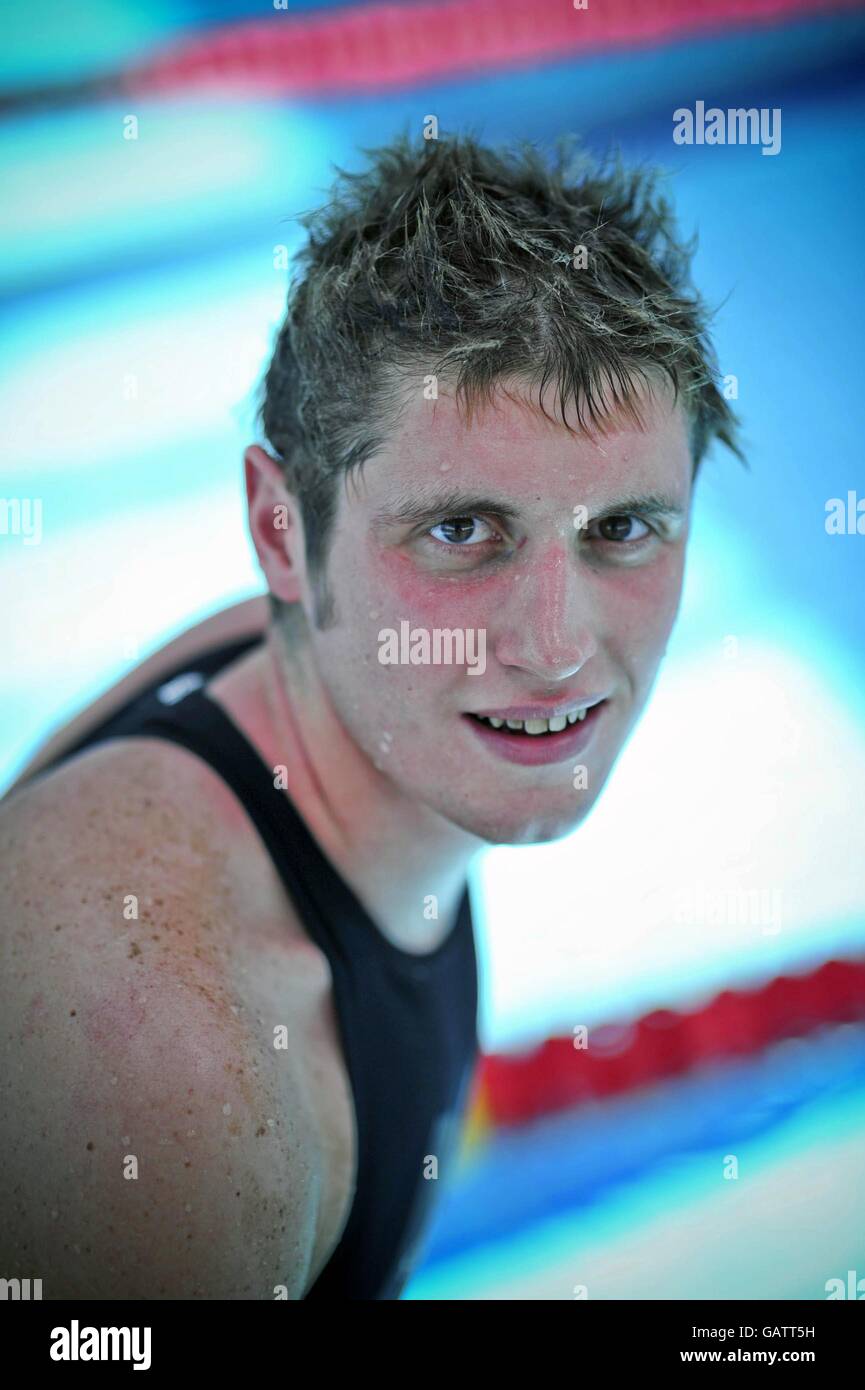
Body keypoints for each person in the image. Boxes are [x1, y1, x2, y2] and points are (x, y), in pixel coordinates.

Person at [0, 131, 742, 1299]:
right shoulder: (182, 1100)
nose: (554, 650)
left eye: (619, 530)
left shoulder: (272, 662)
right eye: (460, 532)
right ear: (281, 529)